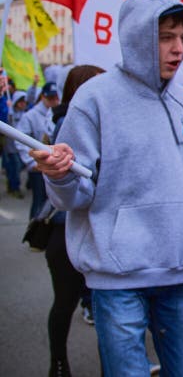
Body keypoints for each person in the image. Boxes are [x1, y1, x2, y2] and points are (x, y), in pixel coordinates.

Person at [31, 0, 183, 376]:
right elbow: (75, 194)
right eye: (165, 37)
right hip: (117, 279)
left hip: (181, 273)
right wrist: (59, 174)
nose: (178, 48)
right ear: (138, 36)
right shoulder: (94, 99)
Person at [42, 65, 105, 377]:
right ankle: (58, 362)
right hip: (68, 230)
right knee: (66, 302)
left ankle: (110, 364)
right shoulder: (71, 122)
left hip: (94, 229)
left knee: (104, 306)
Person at [16, 81, 60, 219]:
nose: (54, 101)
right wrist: (31, 162)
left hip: (55, 167)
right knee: (39, 203)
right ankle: (34, 235)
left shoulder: (59, 113)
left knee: (54, 205)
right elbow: (20, 139)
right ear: (43, 97)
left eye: (55, 97)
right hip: (38, 168)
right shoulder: (30, 115)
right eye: (50, 98)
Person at [3, 91, 27, 198]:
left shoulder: (26, 114)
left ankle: (12, 184)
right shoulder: (9, 113)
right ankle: (14, 188)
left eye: (24, 101)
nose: (23, 104)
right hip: (11, 147)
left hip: (21, 147)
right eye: (20, 101)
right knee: (15, 166)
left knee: (18, 166)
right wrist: (8, 109)